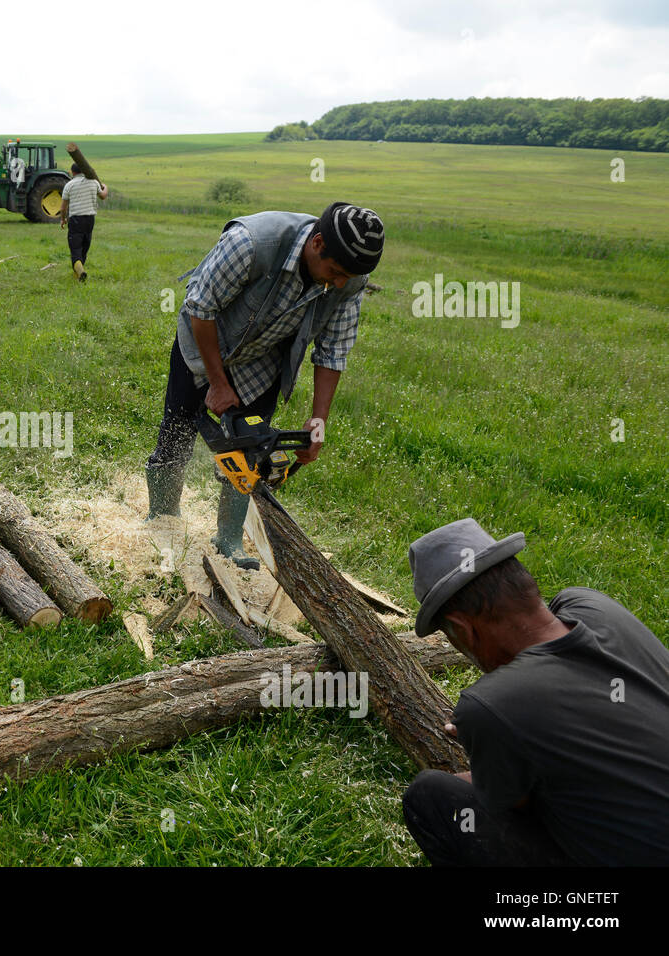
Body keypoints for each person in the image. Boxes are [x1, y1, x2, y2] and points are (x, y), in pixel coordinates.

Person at [402, 518, 669, 866]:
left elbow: (518, 807)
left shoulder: (489, 706)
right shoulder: (596, 607)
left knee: (433, 796)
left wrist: (491, 739)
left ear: (461, 630)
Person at [144, 202, 383, 568]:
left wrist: (318, 420)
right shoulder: (251, 243)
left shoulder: (348, 280)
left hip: (266, 357)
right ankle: (162, 519)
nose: (337, 284)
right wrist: (219, 383)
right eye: (334, 272)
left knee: (250, 447)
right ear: (317, 243)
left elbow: (333, 350)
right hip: (205, 340)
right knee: (179, 426)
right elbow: (201, 308)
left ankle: (227, 541)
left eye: (345, 279)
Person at [59, 162, 107, 281]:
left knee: (75, 250)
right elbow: (103, 196)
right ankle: (79, 273)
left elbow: (63, 208)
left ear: (73, 172)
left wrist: (63, 219)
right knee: (84, 247)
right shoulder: (94, 182)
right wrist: (105, 187)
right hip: (90, 219)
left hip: (76, 220)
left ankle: (80, 272)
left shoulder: (69, 185)